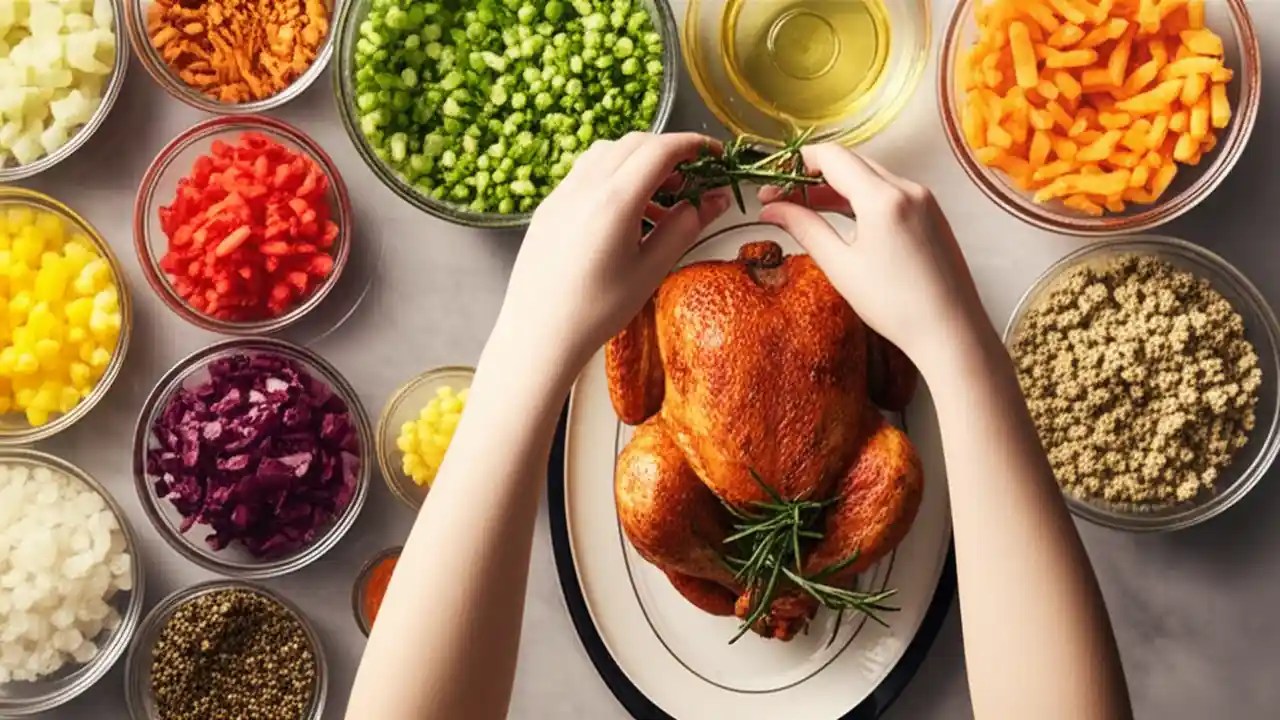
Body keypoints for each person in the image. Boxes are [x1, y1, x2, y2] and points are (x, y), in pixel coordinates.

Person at [345, 133, 1133, 720]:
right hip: (715, 479)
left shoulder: (766, 293)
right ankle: (769, 582)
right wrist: (961, 344)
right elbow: (638, 404)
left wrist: (528, 341)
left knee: (889, 465)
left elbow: (879, 387)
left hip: (822, 474)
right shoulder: (682, 295)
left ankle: (766, 582)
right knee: (653, 482)